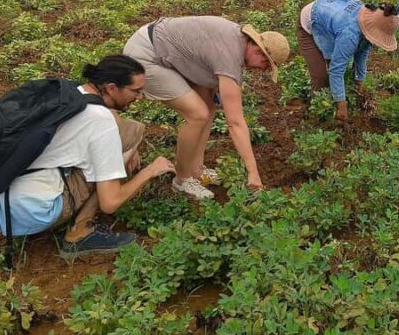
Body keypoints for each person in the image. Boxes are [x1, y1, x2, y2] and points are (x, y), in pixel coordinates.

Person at [0, 55, 175, 258]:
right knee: (113, 164)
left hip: (1, 199)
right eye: (136, 91)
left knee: (131, 131)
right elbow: (110, 203)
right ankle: (80, 233)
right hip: (36, 211)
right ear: (111, 88)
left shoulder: (71, 90)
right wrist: (150, 171)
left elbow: (115, 121)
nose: (140, 97)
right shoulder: (101, 122)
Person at [124, 17, 289, 200]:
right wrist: (253, 173)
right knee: (197, 114)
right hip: (145, 56)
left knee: (208, 107)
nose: (262, 70)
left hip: (160, 45)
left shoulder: (236, 40)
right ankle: (182, 179)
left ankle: (196, 170)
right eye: (266, 65)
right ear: (259, 51)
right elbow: (235, 123)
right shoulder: (229, 57)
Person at [297, 0, 399, 120]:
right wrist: (342, 106)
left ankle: (332, 101)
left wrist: (360, 86)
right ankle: (315, 113)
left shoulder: (367, 24)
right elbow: (336, 70)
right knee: (320, 76)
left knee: (333, 67)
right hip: (310, 21)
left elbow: (361, 57)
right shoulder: (350, 34)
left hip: (330, 17)